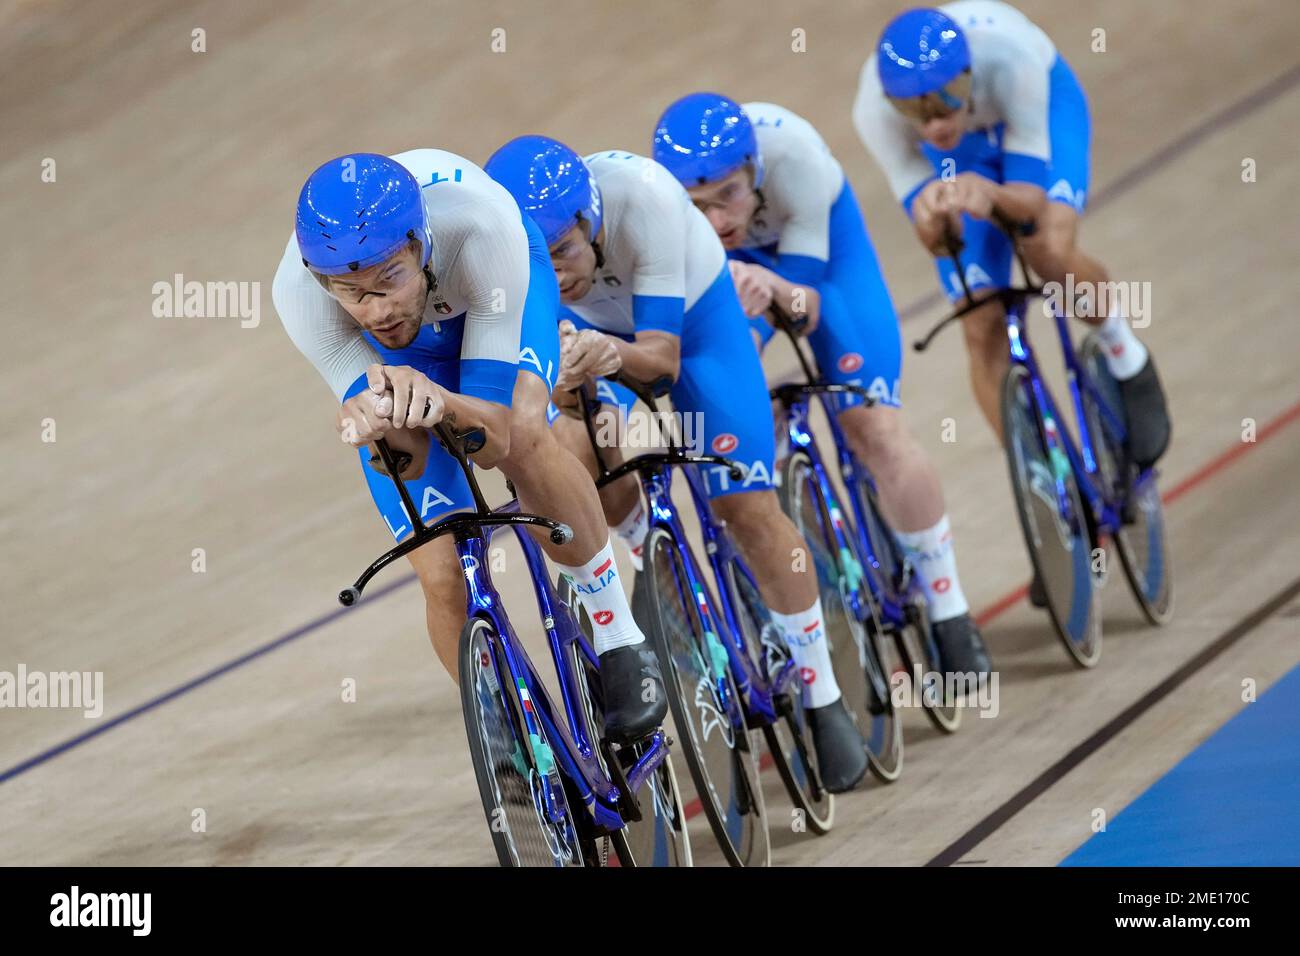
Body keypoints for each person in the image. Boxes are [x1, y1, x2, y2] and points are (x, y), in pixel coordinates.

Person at [486, 136, 870, 792]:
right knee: (577, 456)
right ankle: (645, 550)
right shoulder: (502, 251)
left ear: (592, 222)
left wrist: (608, 351)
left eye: (566, 254)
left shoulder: (646, 201)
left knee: (744, 505)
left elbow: (660, 362)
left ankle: (821, 689)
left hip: (694, 327)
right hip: (591, 338)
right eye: (539, 264)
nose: (557, 274)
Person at [271, 149, 665, 743]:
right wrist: (372, 414)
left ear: (421, 244)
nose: (375, 310)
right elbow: (403, 441)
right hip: (406, 363)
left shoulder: (480, 229)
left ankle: (618, 635)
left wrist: (443, 401)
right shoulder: (299, 295)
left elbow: (493, 437)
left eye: (389, 281)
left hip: (496, 294)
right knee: (439, 568)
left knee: (527, 437)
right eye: (352, 292)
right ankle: (506, 733)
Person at [653, 93, 991, 676]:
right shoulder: (658, 211)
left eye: (729, 195)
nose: (718, 221)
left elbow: (803, 305)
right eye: (698, 207)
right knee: (727, 418)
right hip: (728, 282)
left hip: (820, 266)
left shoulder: (796, 157)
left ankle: (948, 606)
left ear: (754, 169)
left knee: (873, 425)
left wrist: (773, 284)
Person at [854, 2, 1172, 607]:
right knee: (980, 319)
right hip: (966, 162)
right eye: (914, 110)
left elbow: (1024, 204)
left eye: (945, 98)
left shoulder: (1013, 63)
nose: (932, 120)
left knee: (1048, 249)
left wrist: (990, 192)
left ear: (966, 74)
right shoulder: (874, 109)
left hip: (1037, 111)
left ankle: (1121, 349)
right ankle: (1047, 491)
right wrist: (935, 218)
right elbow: (936, 240)